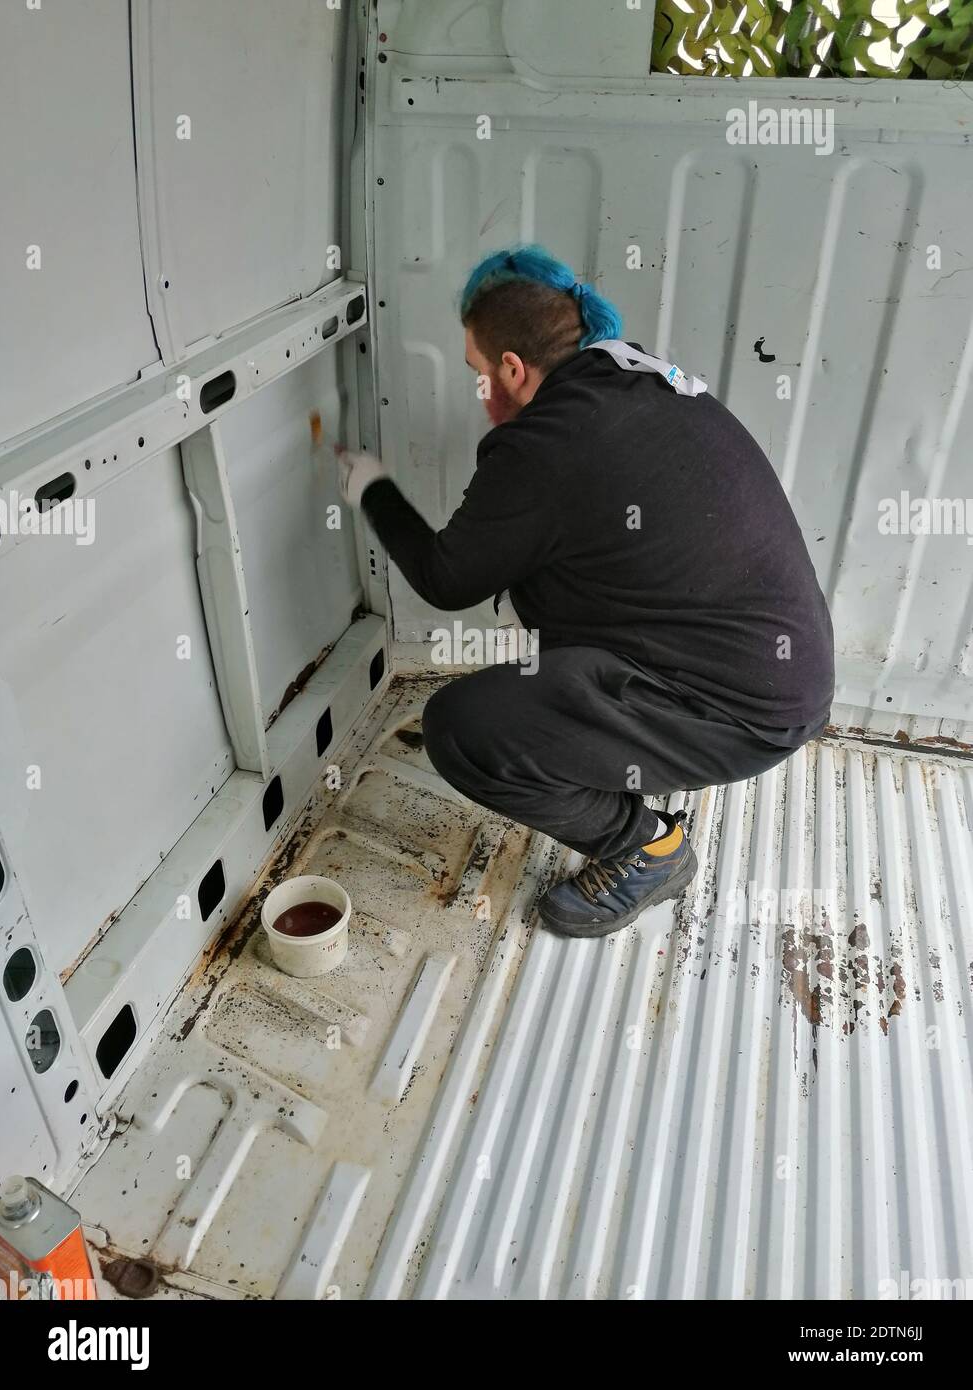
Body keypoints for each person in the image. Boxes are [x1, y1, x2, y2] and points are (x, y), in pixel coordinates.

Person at [336, 245, 834, 938]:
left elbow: (447, 579)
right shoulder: (634, 375)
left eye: (479, 374)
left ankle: (648, 850)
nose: (480, 391)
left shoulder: (546, 444)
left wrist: (369, 486)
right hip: (777, 670)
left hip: (739, 707)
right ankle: (613, 756)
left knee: (462, 730)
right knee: (552, 584)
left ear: (512, 368)